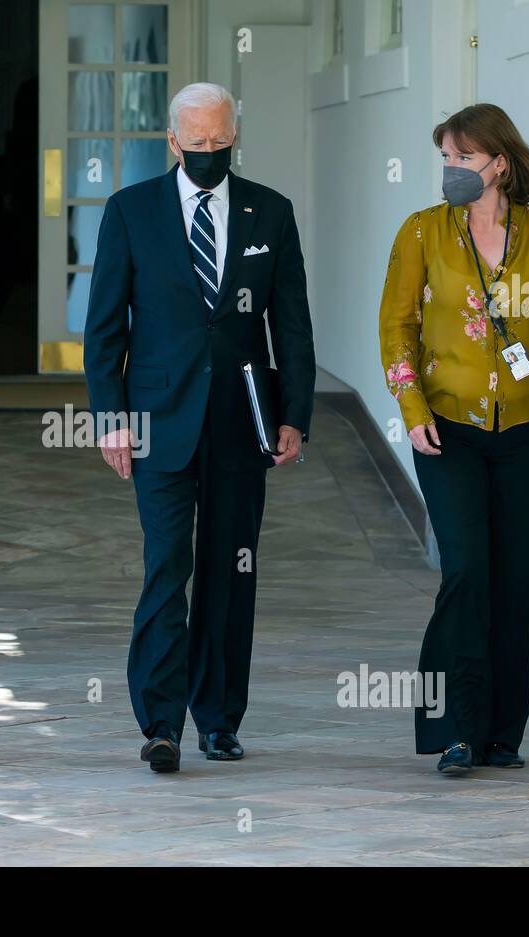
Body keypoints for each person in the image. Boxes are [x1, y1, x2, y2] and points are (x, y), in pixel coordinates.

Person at [84, 82, 316, 772]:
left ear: (233, 137)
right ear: (172, 142)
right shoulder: (131, 212)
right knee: (167, 565)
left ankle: (218, 720)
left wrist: (293, 413)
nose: (210, 154)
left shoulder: (269, 212)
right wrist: (110, 420)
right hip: (157, 420)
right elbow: (104, 328)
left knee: (230, 569)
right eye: (198, 145)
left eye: (222, 143)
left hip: (243, 417)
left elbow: (292, 323)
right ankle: (161, 724)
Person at [378, 103, 529, 773]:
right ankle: (456, 729)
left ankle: (503, 733)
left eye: (463, 159)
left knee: (510, 576)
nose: (451, 170)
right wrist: (410, 404)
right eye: (445, 159)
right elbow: (398, 328)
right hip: (450, 429)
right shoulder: (422, 233)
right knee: (465, 571)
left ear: (499, 163)